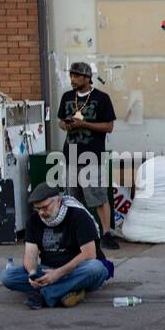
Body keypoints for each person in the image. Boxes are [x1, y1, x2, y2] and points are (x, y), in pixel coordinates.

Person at [1, 183, 108, 309]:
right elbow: (30, 253)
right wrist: (32, 273)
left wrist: (58, 274)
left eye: (45, 207)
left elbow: (90, 254)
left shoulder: (78, 216)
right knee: (8, 276)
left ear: (58, 200)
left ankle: (46, 295)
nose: (41, 212)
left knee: (96, 268)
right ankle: (70, 289)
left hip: (77, 269)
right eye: (37, 208)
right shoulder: (33, 221)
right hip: (48, 270)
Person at [55, 61, 119, 249]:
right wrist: (65, 125)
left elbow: (109, 126)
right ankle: (74, 235)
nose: (73, 80)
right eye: (71, 76)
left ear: (87, 78)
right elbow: (60, 122)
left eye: (76, 76)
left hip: (92, 155)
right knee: (72, 199)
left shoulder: (101, 98)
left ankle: (106, 233)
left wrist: (84, 125)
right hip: (71, 154)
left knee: (98, 197)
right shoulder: (67, 96)